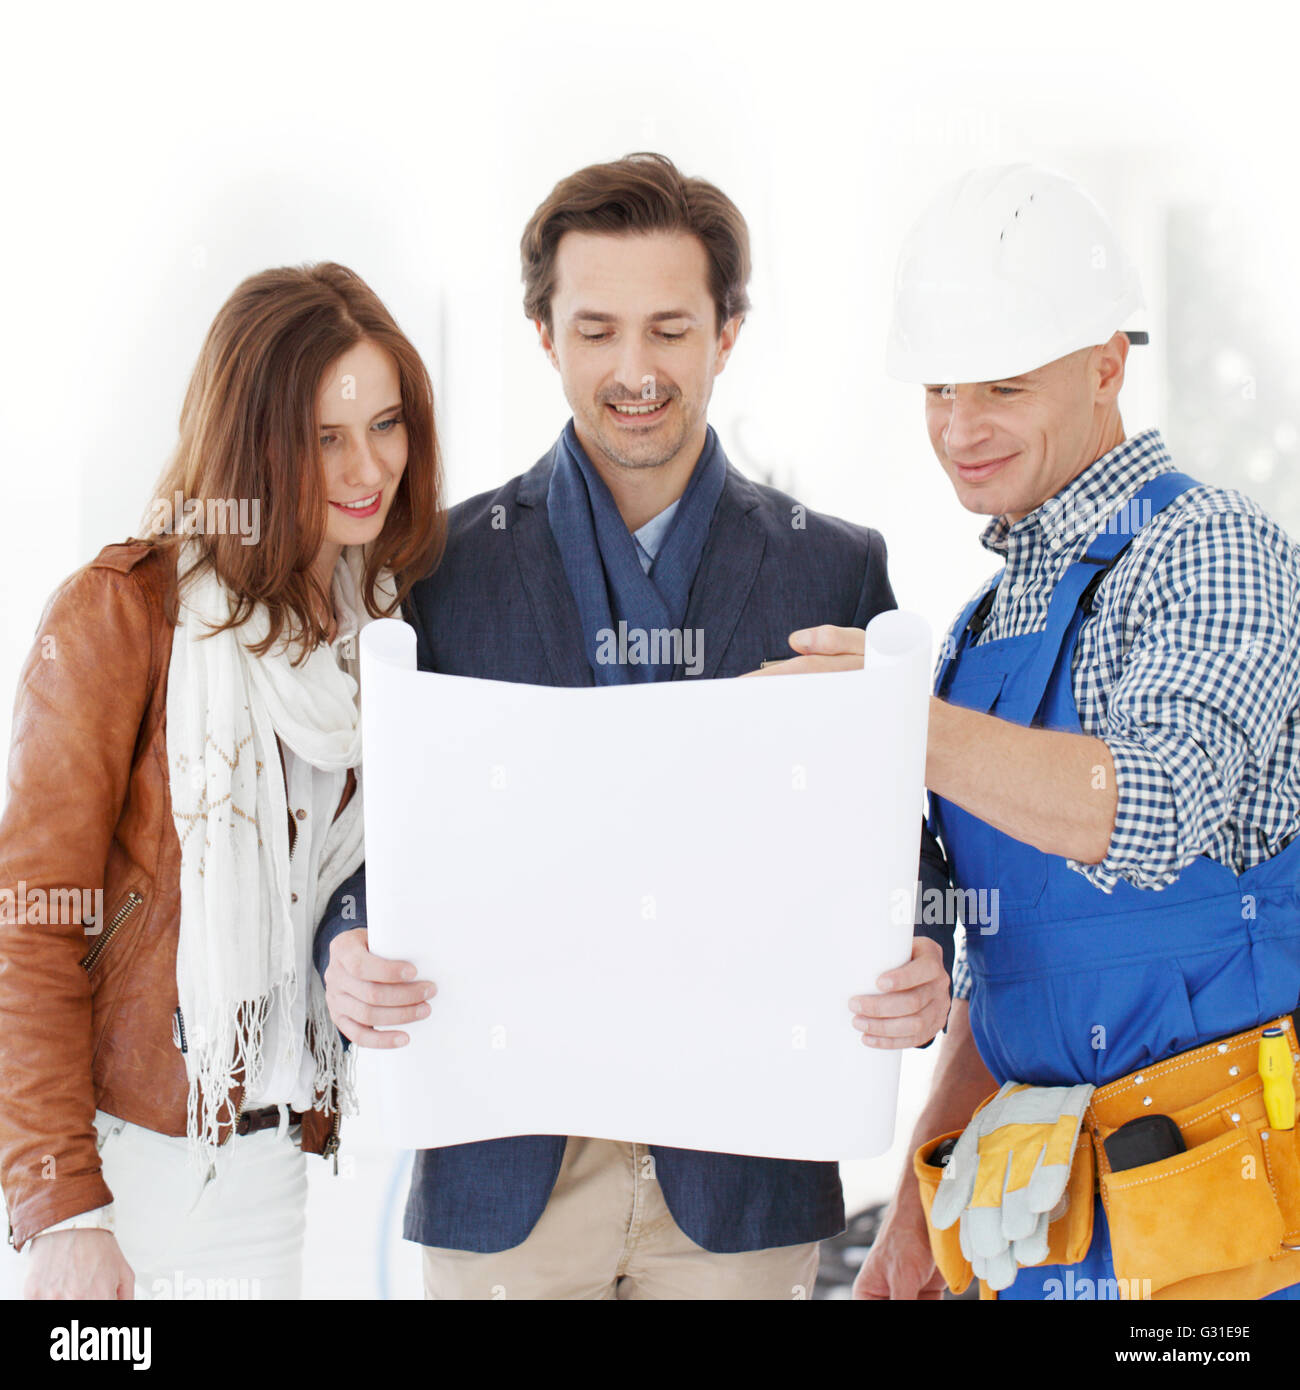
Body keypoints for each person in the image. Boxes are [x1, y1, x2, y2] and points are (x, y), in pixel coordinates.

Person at [314, 151, 955, 1301]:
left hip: (742, 1164)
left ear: (726, 333)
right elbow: (367, 834)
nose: (634, 370)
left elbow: (903, 839)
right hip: (506, 1159)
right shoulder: (440, 568)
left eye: (669, 329)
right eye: (597, 329)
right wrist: (345, 949)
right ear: (546, 335)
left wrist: (930, 954)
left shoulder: (831, 561)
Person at [770, 164, 1300, 1301]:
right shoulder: (978, 630)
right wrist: (908, 1227)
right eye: (938, 390)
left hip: (1231, 1227)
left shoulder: (1212, 552)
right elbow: (997, 978)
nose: (959, 429)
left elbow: (1144, 813)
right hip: (1048, 1226)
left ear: (1108, 365)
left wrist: (896, 723)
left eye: (1002, 387)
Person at [0, 262, 445, 1298]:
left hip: (267, 1161)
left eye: (386, 424)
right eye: (323, 438)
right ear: (255, 443)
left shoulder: (381, 630)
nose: (366, 465)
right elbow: (26, 922)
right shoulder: (125, 613)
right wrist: (60, 1204)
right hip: (120, 1163)